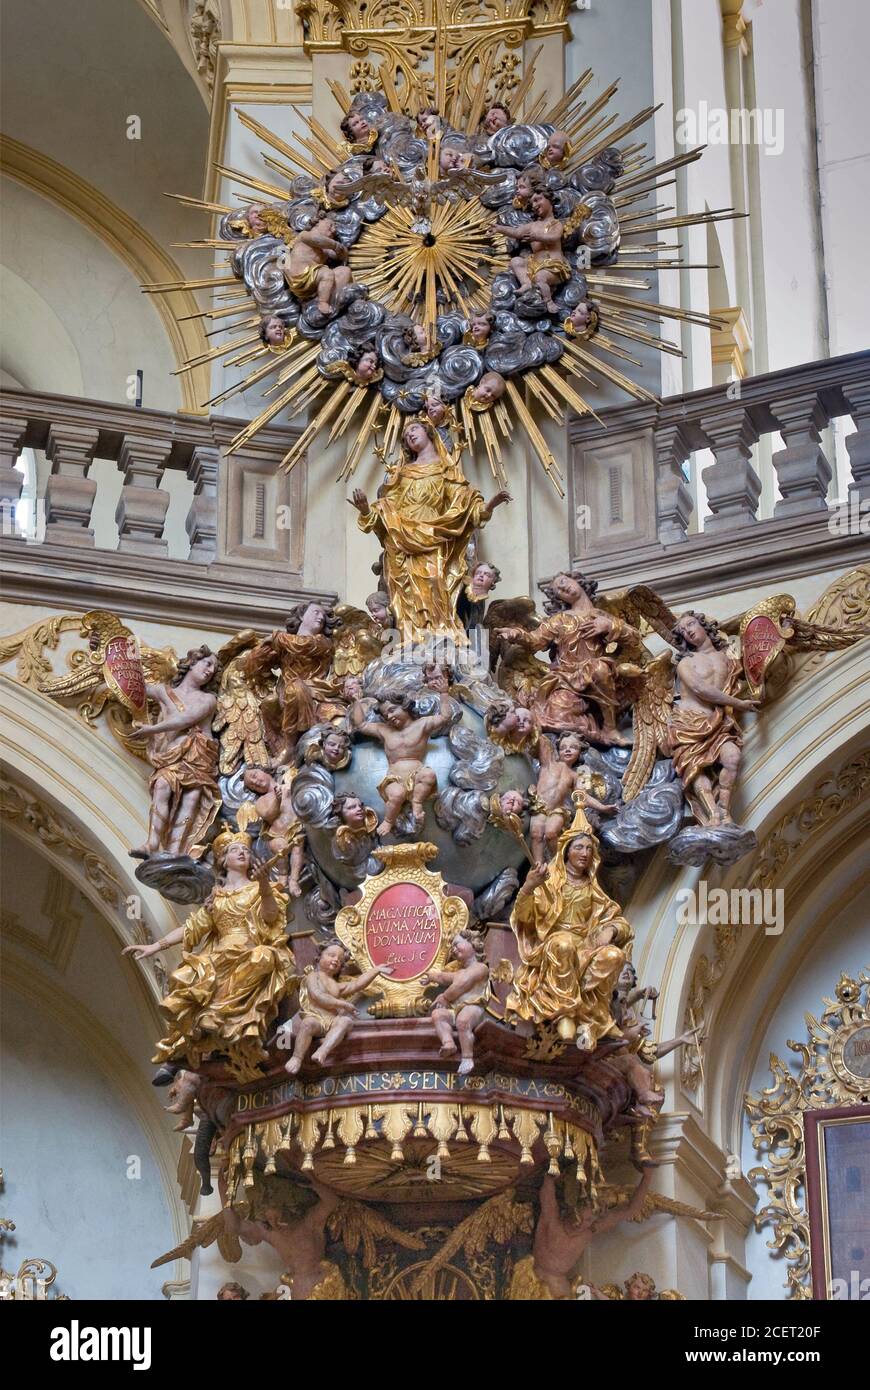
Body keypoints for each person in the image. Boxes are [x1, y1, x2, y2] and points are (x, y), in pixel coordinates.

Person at [123, 830, 295, 1080]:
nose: (242, 853)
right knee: (191, 973)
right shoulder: (216, 895)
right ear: (223, 860)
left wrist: (266, 886)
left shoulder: (259, 889)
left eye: (246, 850)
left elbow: (271, 917)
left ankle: (219, 1020)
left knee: (264, 957)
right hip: (220, 953)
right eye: (235, 850)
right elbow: (194, 926)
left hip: (248, 950)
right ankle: (182, 1047)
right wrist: (155, 946)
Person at [350, 419, 509, 643]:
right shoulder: (402, 474)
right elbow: (387, 510)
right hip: (400, 540)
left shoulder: (447, 472)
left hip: (434, 535)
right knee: (404, 594)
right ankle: (409, 640)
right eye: (405, 435)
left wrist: (490, 505)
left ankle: (438, 637)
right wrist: (367, 510)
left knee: (435, 582)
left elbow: (465, 507)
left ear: (429, 433)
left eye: (413, 429)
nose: (409, 435)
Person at [506, 808, 632, 1050]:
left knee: (614, 955)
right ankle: (565, 1011)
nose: (584, 853)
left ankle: (592, 1015)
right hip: (554, 946)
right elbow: (524, 918)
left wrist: (611, 931)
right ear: (566, 852)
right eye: (578, 848)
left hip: (586, 947)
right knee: (563, 943)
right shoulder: (550, 883)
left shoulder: (593, 889)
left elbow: (618, 920)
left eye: (588, 849)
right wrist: (529, 888)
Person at [131, 647, 222, 859]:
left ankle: (175, 851)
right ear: (191, 662)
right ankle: (152, 843)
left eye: (214, 669)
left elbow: (185, 720)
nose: (210, 671)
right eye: (207, 663)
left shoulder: (208, 699)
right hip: (171, 755)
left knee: (191, 799)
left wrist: (151, 730)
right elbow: (131, 688)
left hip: (199, 756)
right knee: (162, 785)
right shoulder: (163, 691)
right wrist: (106, 656)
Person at [351, 690, 453, 835]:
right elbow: (361, 725)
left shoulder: (421, 725)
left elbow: (445, 716)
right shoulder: (384, 730)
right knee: (397, 794)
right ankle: (388, 821)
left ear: (404, 706)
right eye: (386, 716)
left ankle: (416, 802)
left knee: (428, 774)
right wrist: (356, 701)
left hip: (416, 775)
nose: (390, 716)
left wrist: (443, 693)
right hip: (394, 778)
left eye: (392, 710)